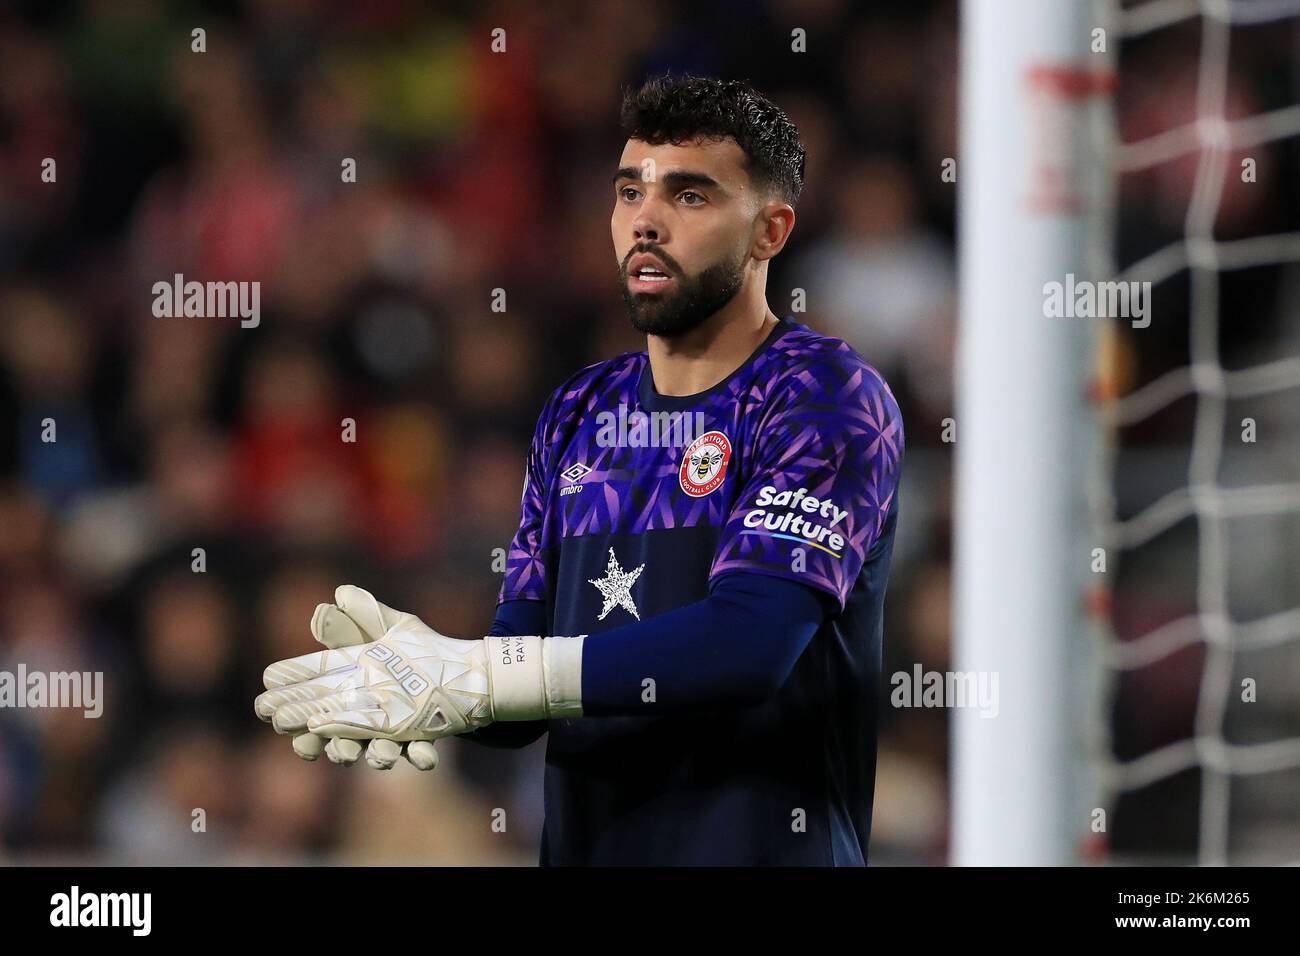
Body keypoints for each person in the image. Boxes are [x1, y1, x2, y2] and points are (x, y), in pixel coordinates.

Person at [254, 73, 904, 866]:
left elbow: (751, 642)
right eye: (630, 193)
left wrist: (490, 676)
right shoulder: (580, 412)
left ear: (770, 231)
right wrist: (430, 678)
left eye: (690, 197)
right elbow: (523, 681)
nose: (646, 222)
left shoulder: (821, 395)